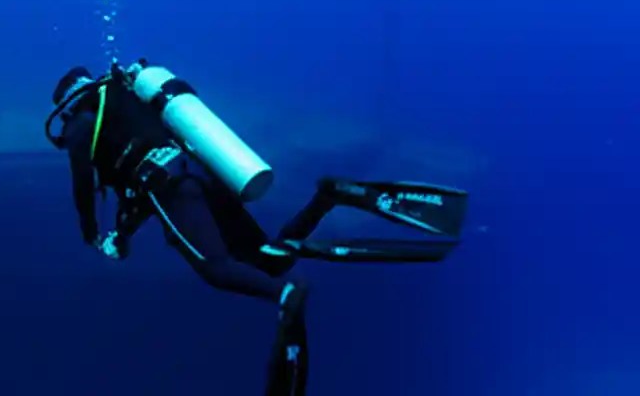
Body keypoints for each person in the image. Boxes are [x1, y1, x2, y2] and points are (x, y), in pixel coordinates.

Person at [46, 60, 468, 396]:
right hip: (203, 175)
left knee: (216, 268)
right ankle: (329, 196)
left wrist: (89, 231)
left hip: (172, 189)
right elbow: (137, 192)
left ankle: (285, 296)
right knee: (269, 257)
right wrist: (123, 234)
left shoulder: (83, 125)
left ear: (68, 103)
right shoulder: (128, 94)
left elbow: (86, 185)